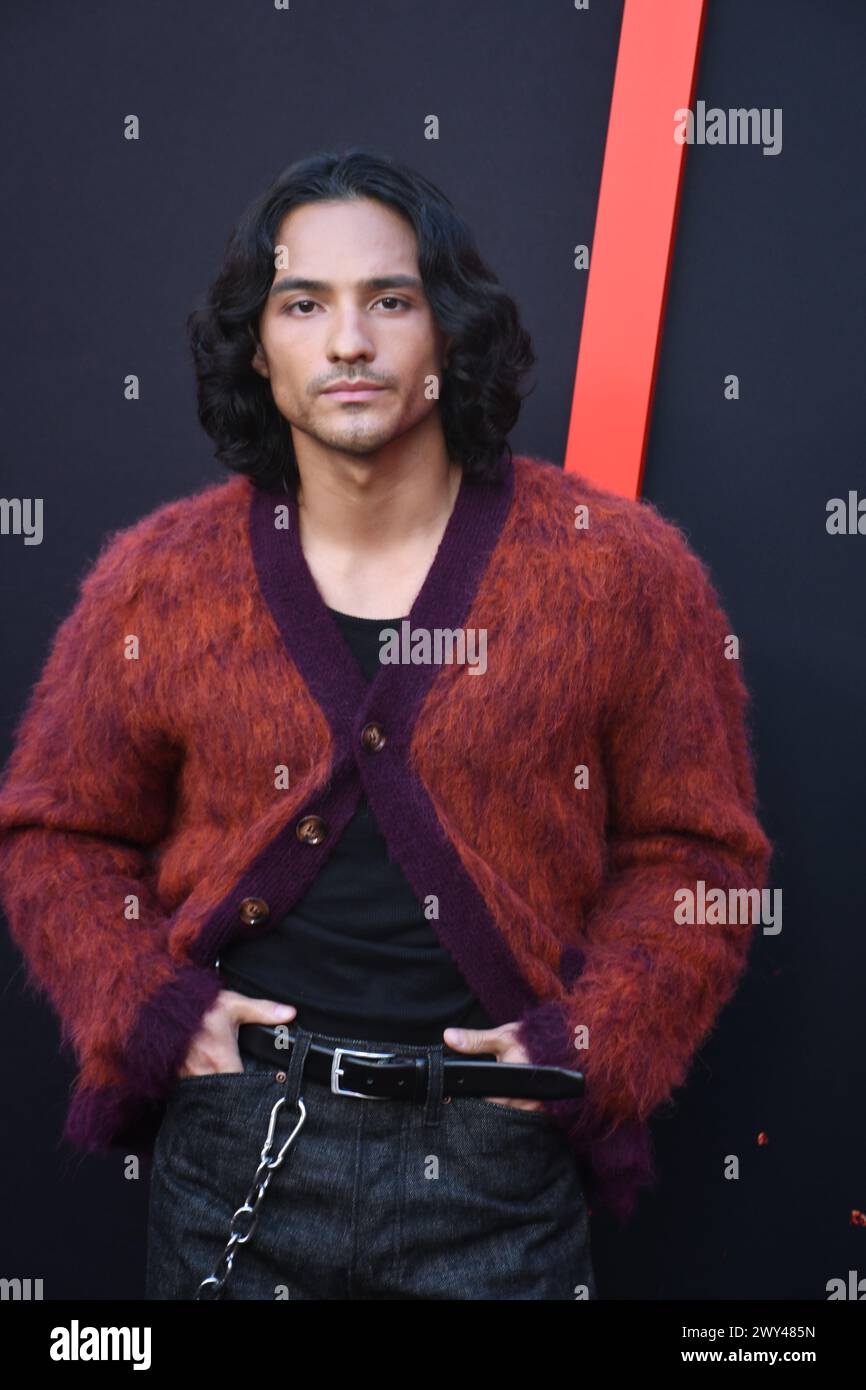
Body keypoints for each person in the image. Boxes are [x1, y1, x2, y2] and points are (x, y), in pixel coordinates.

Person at [0, 147, 772, 1301]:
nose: (348, 342)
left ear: (448, 333)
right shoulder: (155, 581)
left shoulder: (620, 572)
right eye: (302, 303)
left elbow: (698, 857)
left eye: (390, 301)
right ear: (256, 347)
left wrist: (589, 1045)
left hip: (498, 1172)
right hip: (231, 1155)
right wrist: (151, 1007)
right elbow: (55, 835)